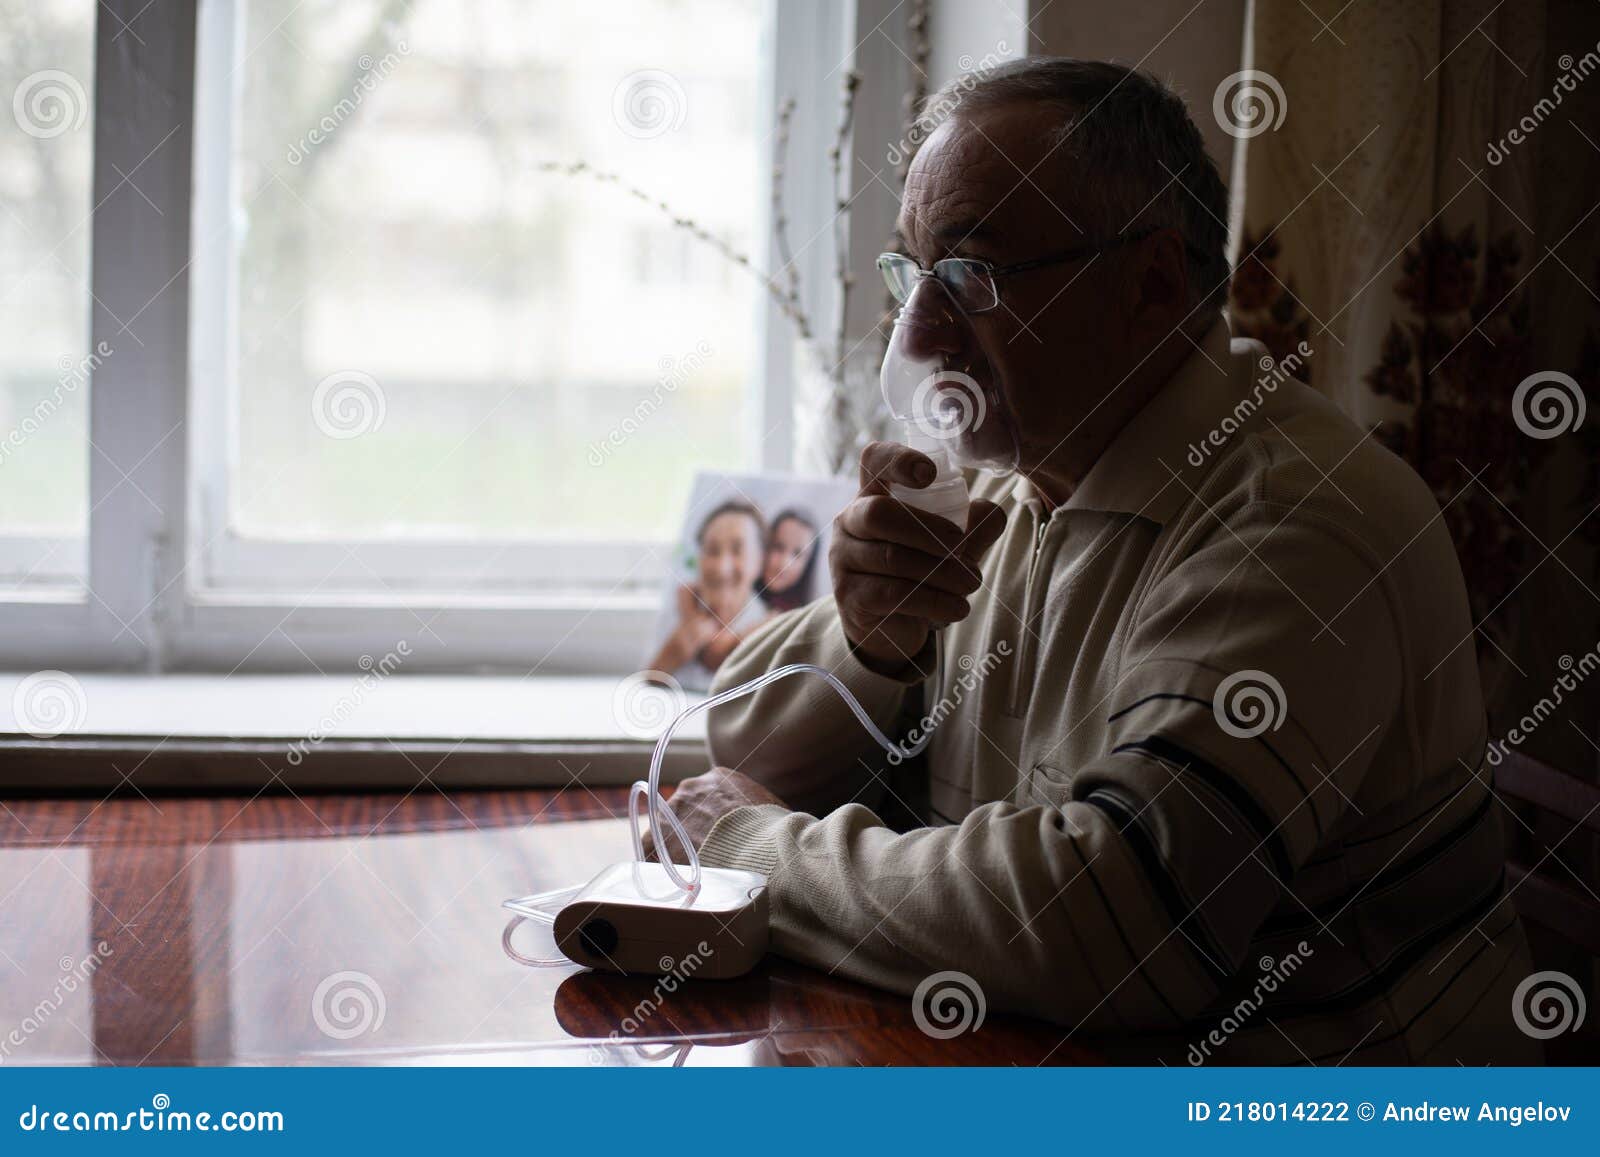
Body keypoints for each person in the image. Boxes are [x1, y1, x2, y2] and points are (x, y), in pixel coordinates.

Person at [652, 58, 1540, 1065]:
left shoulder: (1298, 524)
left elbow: (1118, 929)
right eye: (912, 274)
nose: (918, 330)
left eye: (971, 276)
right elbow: (737, 748)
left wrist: (757, 856)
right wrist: (869, 643)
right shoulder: (1012, 490)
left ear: (1149, 284)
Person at [647, 500, 767, 685]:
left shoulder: (768, 632)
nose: (721, 568)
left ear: (760, 560)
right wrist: (668, 658)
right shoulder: (676, 611)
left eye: (738, 551)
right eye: (712, 550)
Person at [756, 508, 822, 614]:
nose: (784, 563)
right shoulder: (739, 590)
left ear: (808, 565)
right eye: (778, 547)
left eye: (797, 554)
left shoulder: (806, 617)